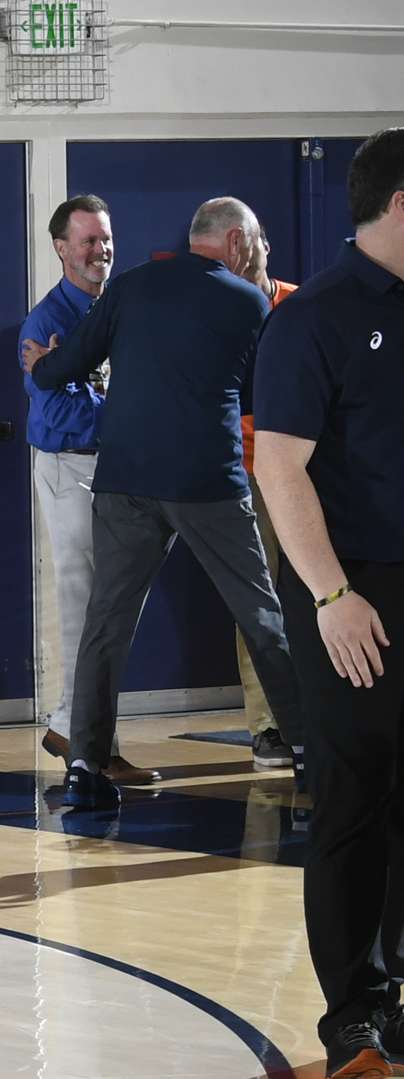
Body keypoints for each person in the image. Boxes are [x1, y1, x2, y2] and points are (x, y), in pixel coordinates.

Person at [25, 197, 303, 810]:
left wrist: (44, 365)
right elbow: (262, 393)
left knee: (107, 625)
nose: (260, 254)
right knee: (261, 615)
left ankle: (85, 767)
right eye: (256, 243)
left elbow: (61, 369)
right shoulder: (248, 301)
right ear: (235, 242)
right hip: (209, 483)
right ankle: (309, 752)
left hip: (125, 482)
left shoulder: (129, 287)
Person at [254, 125, 404, 1079]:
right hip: (355, 593)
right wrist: (333, 595)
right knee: (356, 799)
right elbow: (281, 466)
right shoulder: (316, 315)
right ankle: (354, 1007)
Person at [19, 194, 160, 786]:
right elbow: (61, 417)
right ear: (60, 249)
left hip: (120, 471)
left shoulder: (124, 307)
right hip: (70, 469)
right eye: (87, 241)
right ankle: (90, 745)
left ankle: (70, 726)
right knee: (86, 610)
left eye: (106, 239)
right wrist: (124, 409)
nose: (100, 250)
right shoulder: (45, 322)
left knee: (113, 607)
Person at [236, 228, 301, 770]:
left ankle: (321, 713)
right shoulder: (213, 311)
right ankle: (268, 725)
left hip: (310, 472)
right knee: (258, 599)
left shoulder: (301, 306)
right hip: (245, 475)